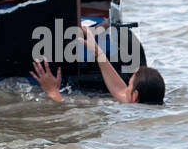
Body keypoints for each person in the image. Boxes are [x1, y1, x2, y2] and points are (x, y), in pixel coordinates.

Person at [31, 25, 165, 105]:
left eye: (128, 85)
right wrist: (97, 52)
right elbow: (119, 90)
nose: (125, 87)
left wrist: (52, 91)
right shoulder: (142, 104)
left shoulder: (127, 112)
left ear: (135, 96)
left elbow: (68, 110)